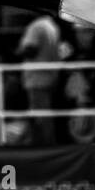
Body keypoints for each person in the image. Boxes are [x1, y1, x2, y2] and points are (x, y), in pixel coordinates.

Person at [17, 12, 63, 146]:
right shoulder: (53, 26)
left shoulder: (36, 26)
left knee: (41, 117)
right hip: (49, 76)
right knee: (43, 115)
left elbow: (30, 50)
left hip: (37, 78)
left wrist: (18, 51)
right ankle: (44, 145)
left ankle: (46, 148)